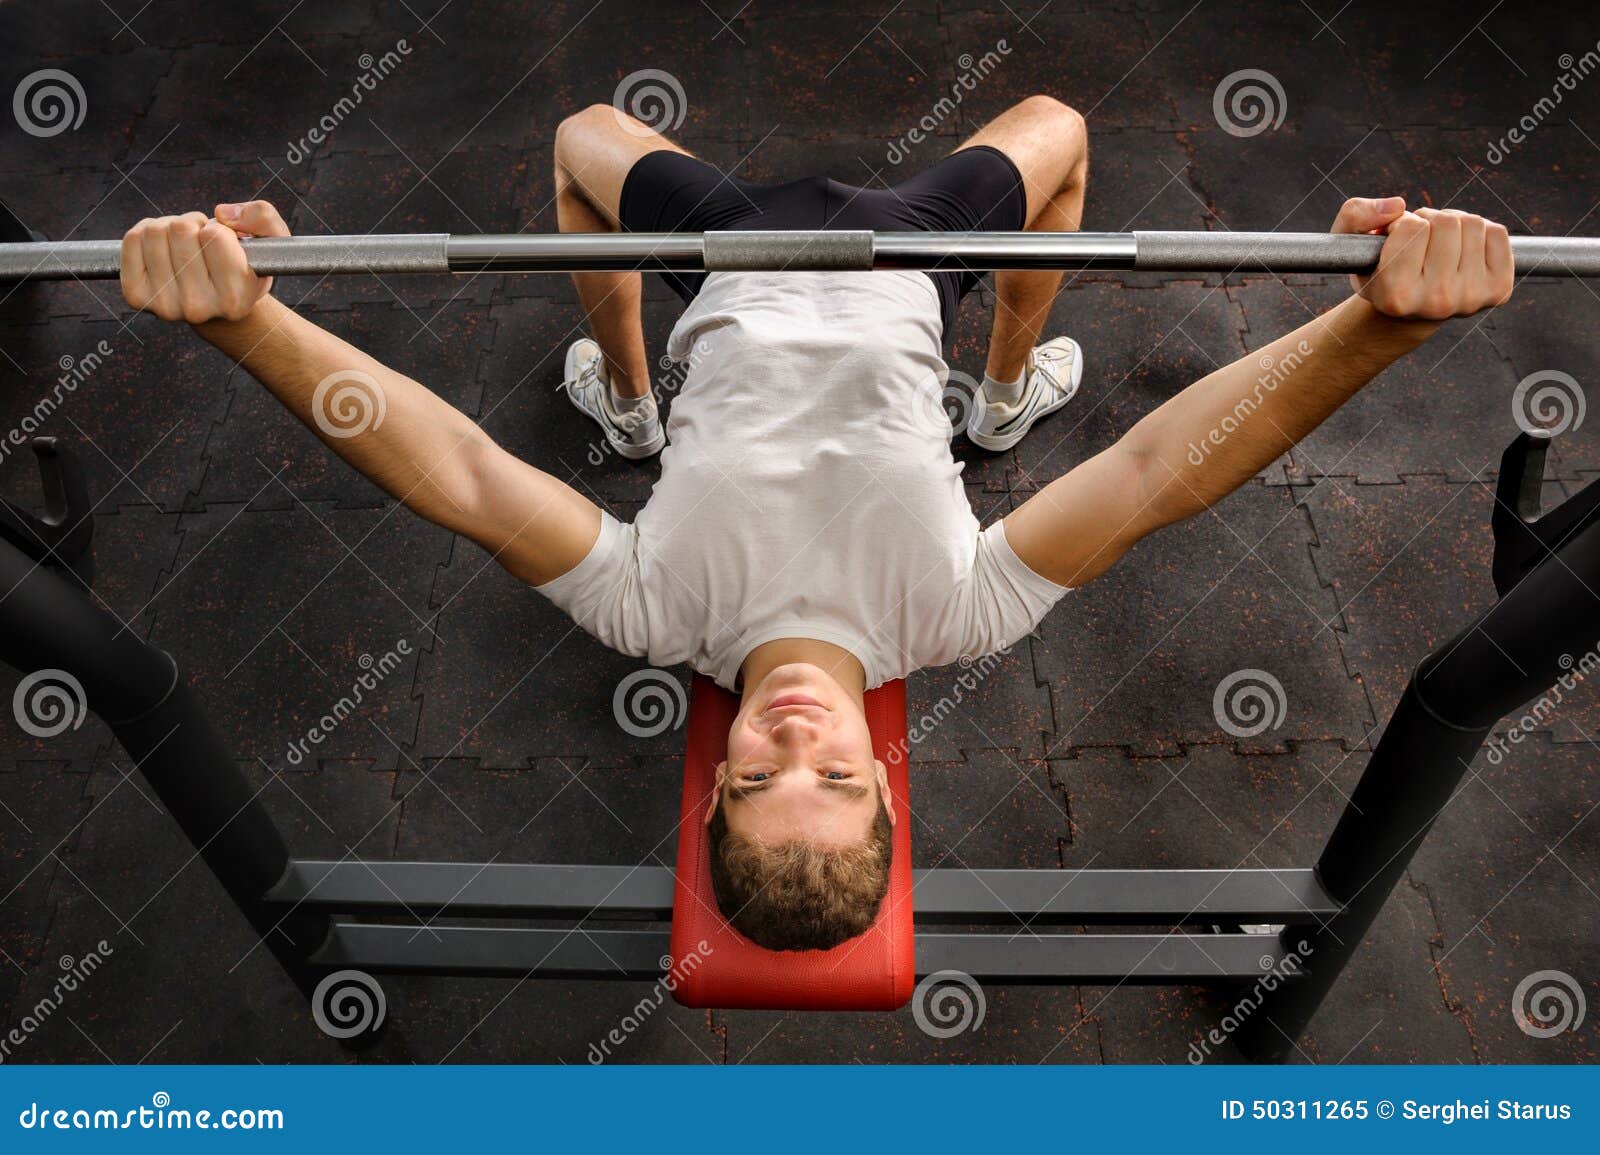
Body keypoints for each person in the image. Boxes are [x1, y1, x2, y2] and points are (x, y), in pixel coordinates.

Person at [117, 95, 1513, 953]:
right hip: (907, 257)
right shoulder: (957, 611)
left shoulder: (654, 612)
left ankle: (623, 395)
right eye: (838, 784)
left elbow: (465, 476)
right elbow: (1160, 471)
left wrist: (250, 320)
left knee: (579, 141)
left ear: (713, 784)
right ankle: (1009, 390)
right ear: (887, 782)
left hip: (729, 259)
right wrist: (1371, 329)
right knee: (1061, 134)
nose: (797, 744)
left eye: (762, 780)